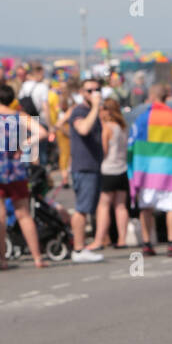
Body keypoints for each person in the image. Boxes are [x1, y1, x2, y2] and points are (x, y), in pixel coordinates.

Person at [0, 83, 46, 268]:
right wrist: (24, 143)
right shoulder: (20, 117)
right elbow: (43, 133)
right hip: (17, 170)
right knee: (23, 213)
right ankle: (37, 257)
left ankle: (3, 259)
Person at [131, 84, 172, 256]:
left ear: (151, 97)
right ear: (166, 97)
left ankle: (147, 244)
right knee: (171, 207)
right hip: (169, 170)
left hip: (147, 171)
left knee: (146, 208)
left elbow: (132, 144)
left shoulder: (142, 118)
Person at [67, 77, 106, 261]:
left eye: (97, 90)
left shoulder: (90, 111)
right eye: (89, 91)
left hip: (92, 165)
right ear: (82, 93)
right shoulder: (80, 111)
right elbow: (82, 129)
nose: (94, 94)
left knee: (88, 206)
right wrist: (96, 108)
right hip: (84, 167)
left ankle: (82, 246)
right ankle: (79, 248)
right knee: (82, 208)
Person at [93, 98, 130, 251]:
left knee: (103, 206)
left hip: (108, 169)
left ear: (107, 111)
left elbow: (104, 150)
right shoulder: (123, 127)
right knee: (120, 206)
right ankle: (122, 238)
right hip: (122, 169)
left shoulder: (107, 128)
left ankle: (100, 239)